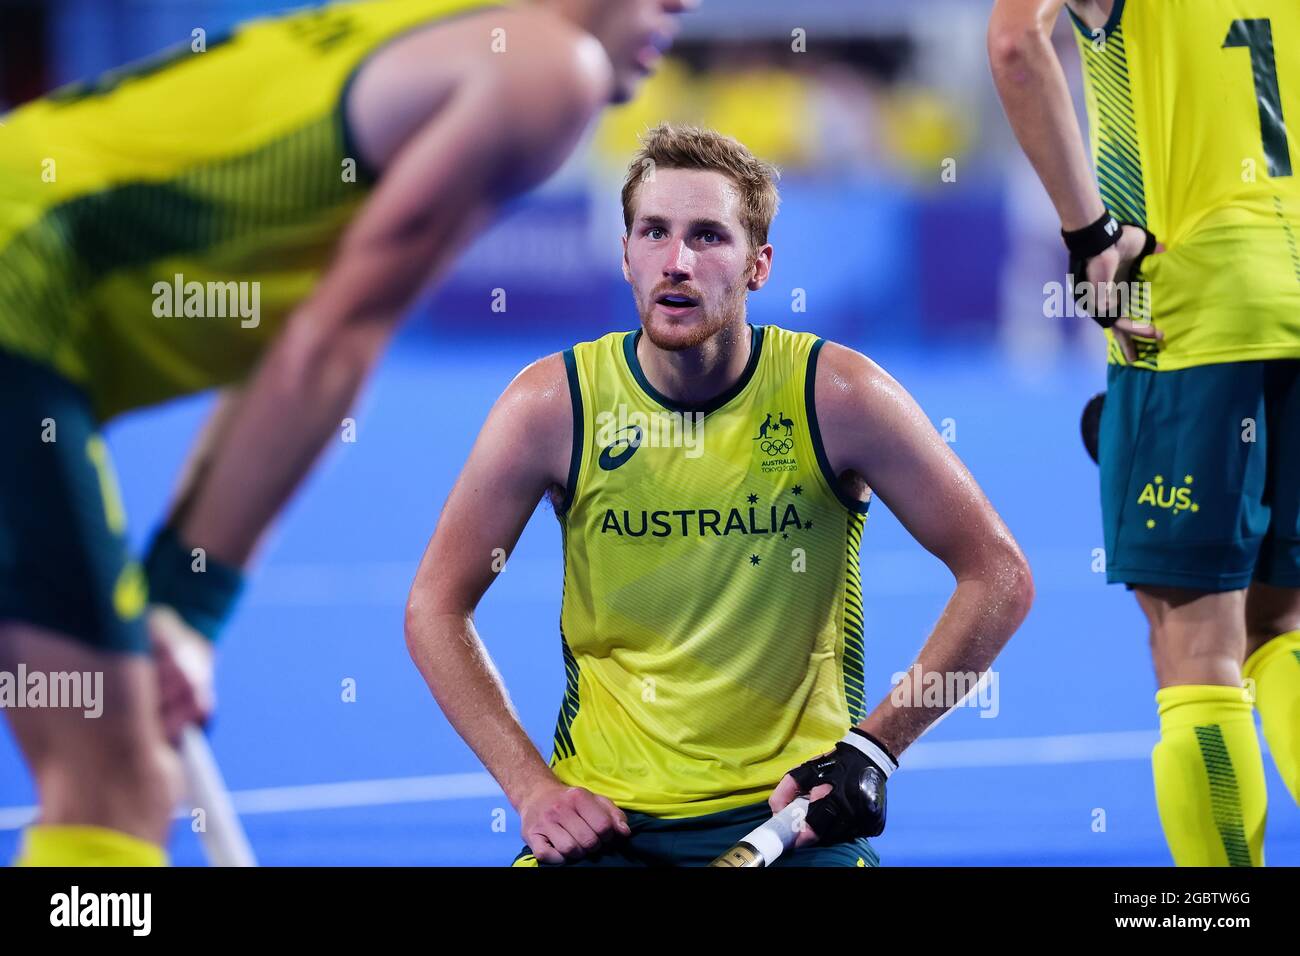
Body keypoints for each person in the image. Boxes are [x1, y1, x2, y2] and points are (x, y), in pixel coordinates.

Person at [0, 0, 696, 867]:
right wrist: (189, 608)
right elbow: (334, 339)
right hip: (16, 293)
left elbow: (287, 357)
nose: (686, 2)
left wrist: (180, 578)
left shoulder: (431, 26)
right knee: (114, 781)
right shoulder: (546, 68)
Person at [405, 124, 1034, 866]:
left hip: (790, 820)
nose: (677, 262)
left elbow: (1000, 574)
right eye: (654, 233)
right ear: (626, 254)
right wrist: (532, 789)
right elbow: (434, 607)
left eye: (709, 237)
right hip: (606, 823)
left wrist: (876, 748)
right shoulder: (552, 406)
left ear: (759, 265)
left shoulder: (837, 396)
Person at [989, 0, 1300, 865]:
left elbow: (1017, 43)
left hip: (1196, 311)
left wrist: (1090, 236)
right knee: (1280, 624)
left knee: (1197, 647)